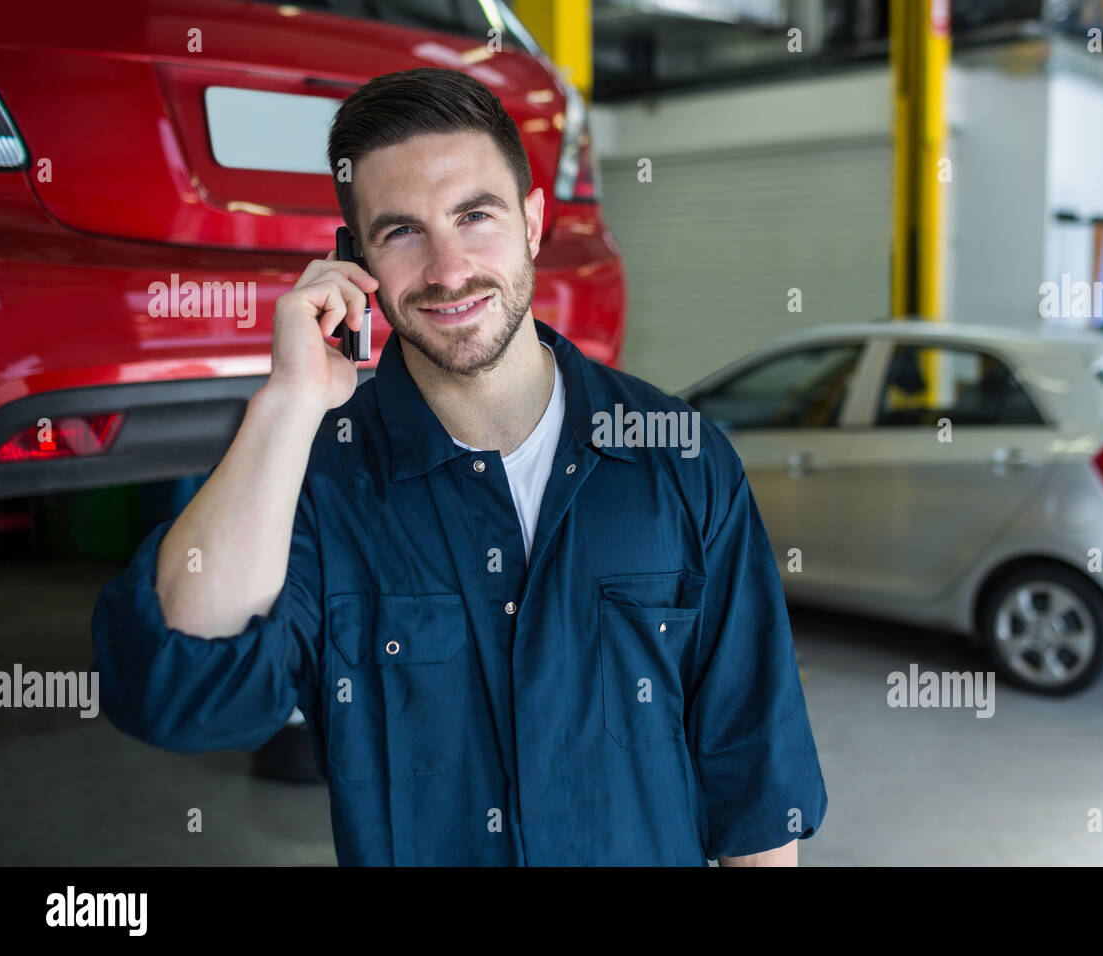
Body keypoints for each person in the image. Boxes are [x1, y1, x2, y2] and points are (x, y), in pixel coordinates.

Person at [91, 67, 827, 866]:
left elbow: (754, 782)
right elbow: (179, 694)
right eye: (401, 231)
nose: (447, 270)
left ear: (533, 222)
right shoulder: (320, 482)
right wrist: (289, 402)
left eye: (474, 216)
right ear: (355, 260)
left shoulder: (679, 458)